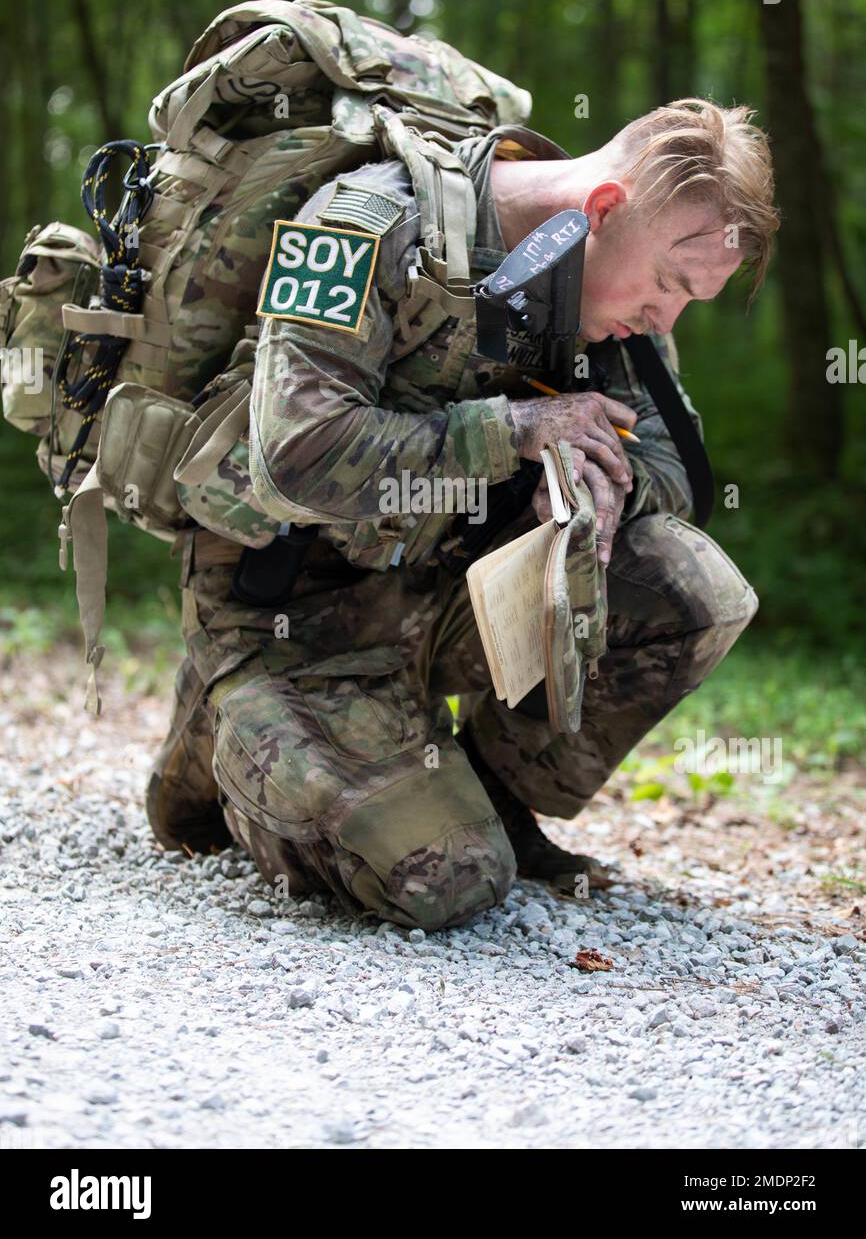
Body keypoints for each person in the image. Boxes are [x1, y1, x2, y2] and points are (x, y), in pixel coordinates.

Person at [147, 98, 778, 930]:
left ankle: (489, 788)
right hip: (295, 613)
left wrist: (603, 485)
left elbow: (673, 465)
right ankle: (218, 731)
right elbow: (294, 451)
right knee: (446, 880)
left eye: (692, 298)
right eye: (668, 284)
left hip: (446, 597)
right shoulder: (363, 225)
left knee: (692, 588)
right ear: (601, 210)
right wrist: (512, 432)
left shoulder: (610, 297)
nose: (667, 318)